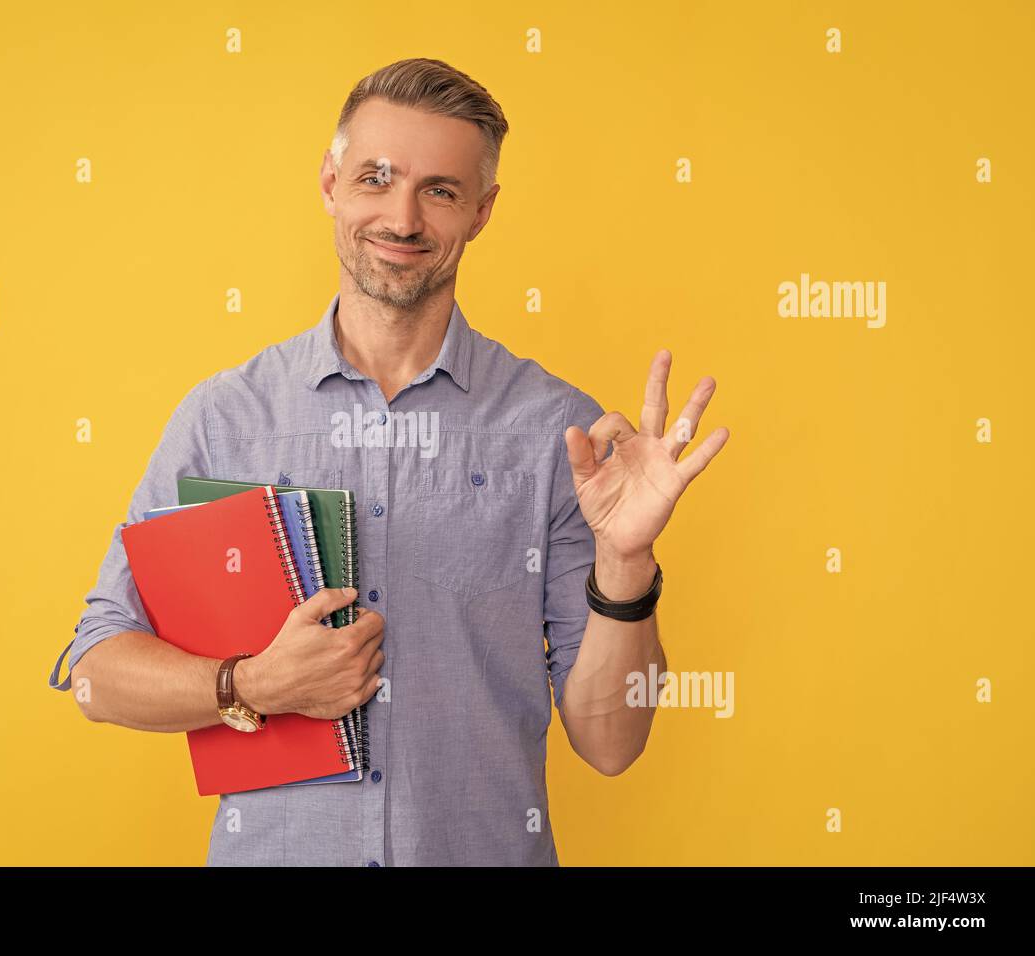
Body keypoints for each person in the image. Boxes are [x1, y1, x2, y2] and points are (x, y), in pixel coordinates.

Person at [46, 57, 728, 866]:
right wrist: (251, 686)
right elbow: (95, 672)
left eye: (440, 190)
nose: (402, 218)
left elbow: (611, 744)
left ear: (481, 211)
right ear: (331, 183)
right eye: (376, 178)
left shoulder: (561, 433)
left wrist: (625, 560)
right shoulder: (225, 418)